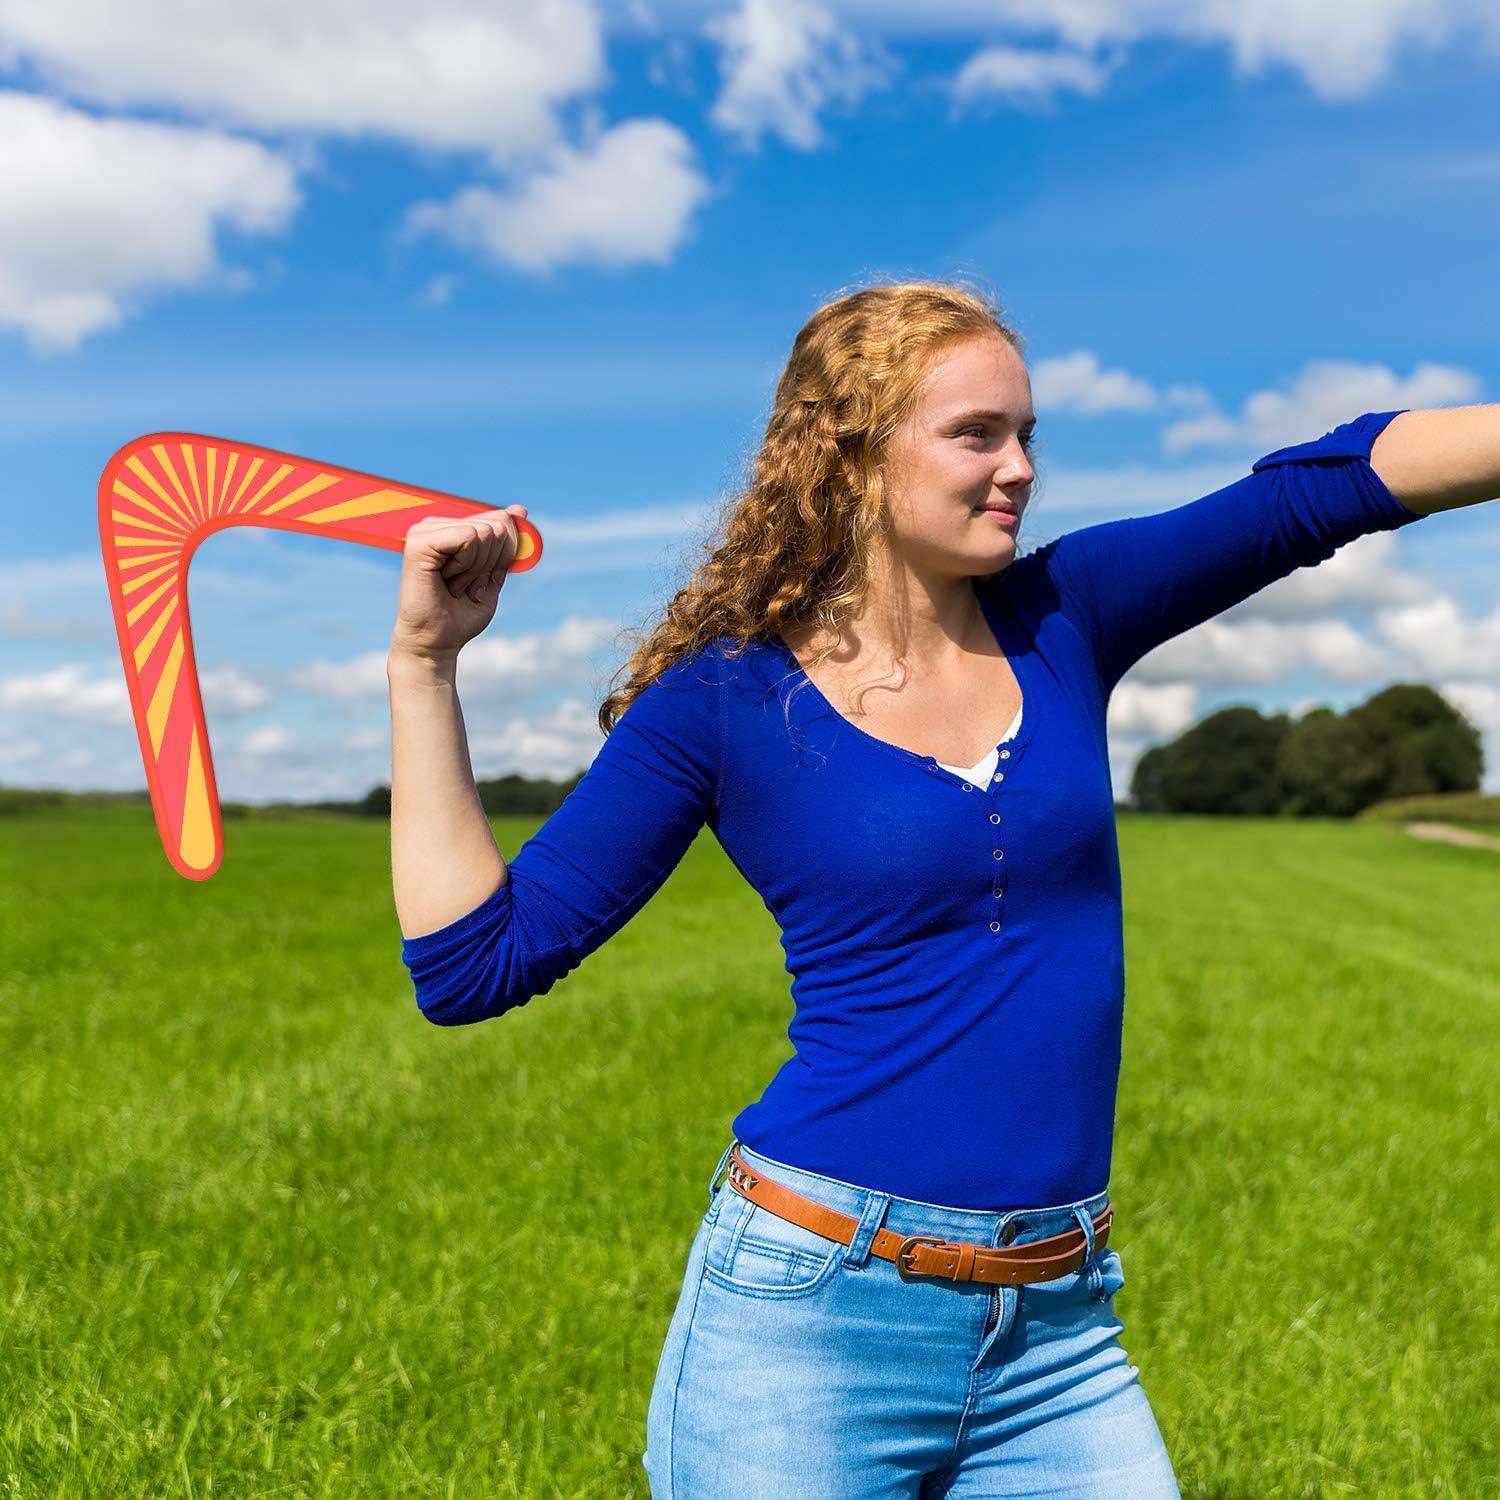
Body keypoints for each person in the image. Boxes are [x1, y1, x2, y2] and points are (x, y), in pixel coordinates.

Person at [386, 278, 1431, 1496]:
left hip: (1059, 1335)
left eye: (1028, 433)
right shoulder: (723, 704)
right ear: (852, 456)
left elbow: (1319, 488)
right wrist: (424, 667)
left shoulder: (1067, 616)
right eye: (977, 433)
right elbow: (473, 965)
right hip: (810, 1321)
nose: (1022, 466)